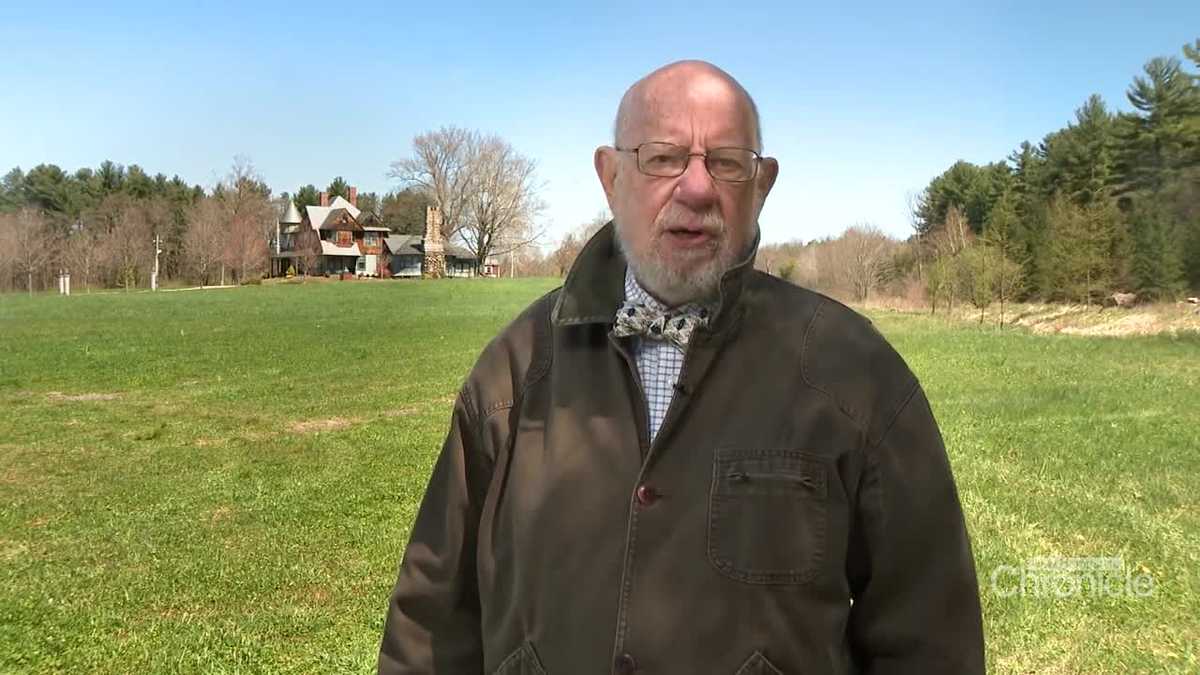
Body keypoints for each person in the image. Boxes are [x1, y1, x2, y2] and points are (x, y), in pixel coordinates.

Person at [377, 60, 985, 674]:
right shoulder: (516, 369)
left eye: (726, 162)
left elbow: (930, 639)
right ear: (611, 177)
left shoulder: (854, 376)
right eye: (663, 158)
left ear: (762, 184)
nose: (696, 189)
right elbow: (432, 624)